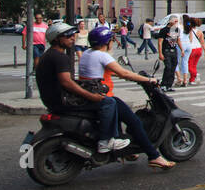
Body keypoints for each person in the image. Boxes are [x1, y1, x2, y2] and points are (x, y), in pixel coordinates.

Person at [35, 21, 174, 169]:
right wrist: (149, 80)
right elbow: (68, 82)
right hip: (67, 100)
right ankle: (145, 153)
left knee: (119, 111)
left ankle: (126, 151)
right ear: (57, 39)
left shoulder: (84, 54)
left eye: (72, 35)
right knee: (124, 114)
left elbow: (101, 72)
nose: (72, 38)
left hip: (53, 100)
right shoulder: (67, 57)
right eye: (68, 35)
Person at [158, 16, 182, 89]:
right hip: (166, 50)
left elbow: (178, 40)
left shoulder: (176, 30)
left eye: (177, 21)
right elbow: (160, 42)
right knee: (168, 67)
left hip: (174, 50)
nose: (176, 23)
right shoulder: (164, 30)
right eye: (175, 21)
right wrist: (160, 53)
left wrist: (182, 49)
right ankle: (163, 84)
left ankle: (169, 85)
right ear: (170, 21)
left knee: (173, 68)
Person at [184, 17, 205, 83]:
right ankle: (192, 80)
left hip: (191, 49)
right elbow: (202, 42)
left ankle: (195, 74)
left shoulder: (188, 31)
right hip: (199, 49)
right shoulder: (200, 31)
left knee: (188, 65)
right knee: (194, 65)